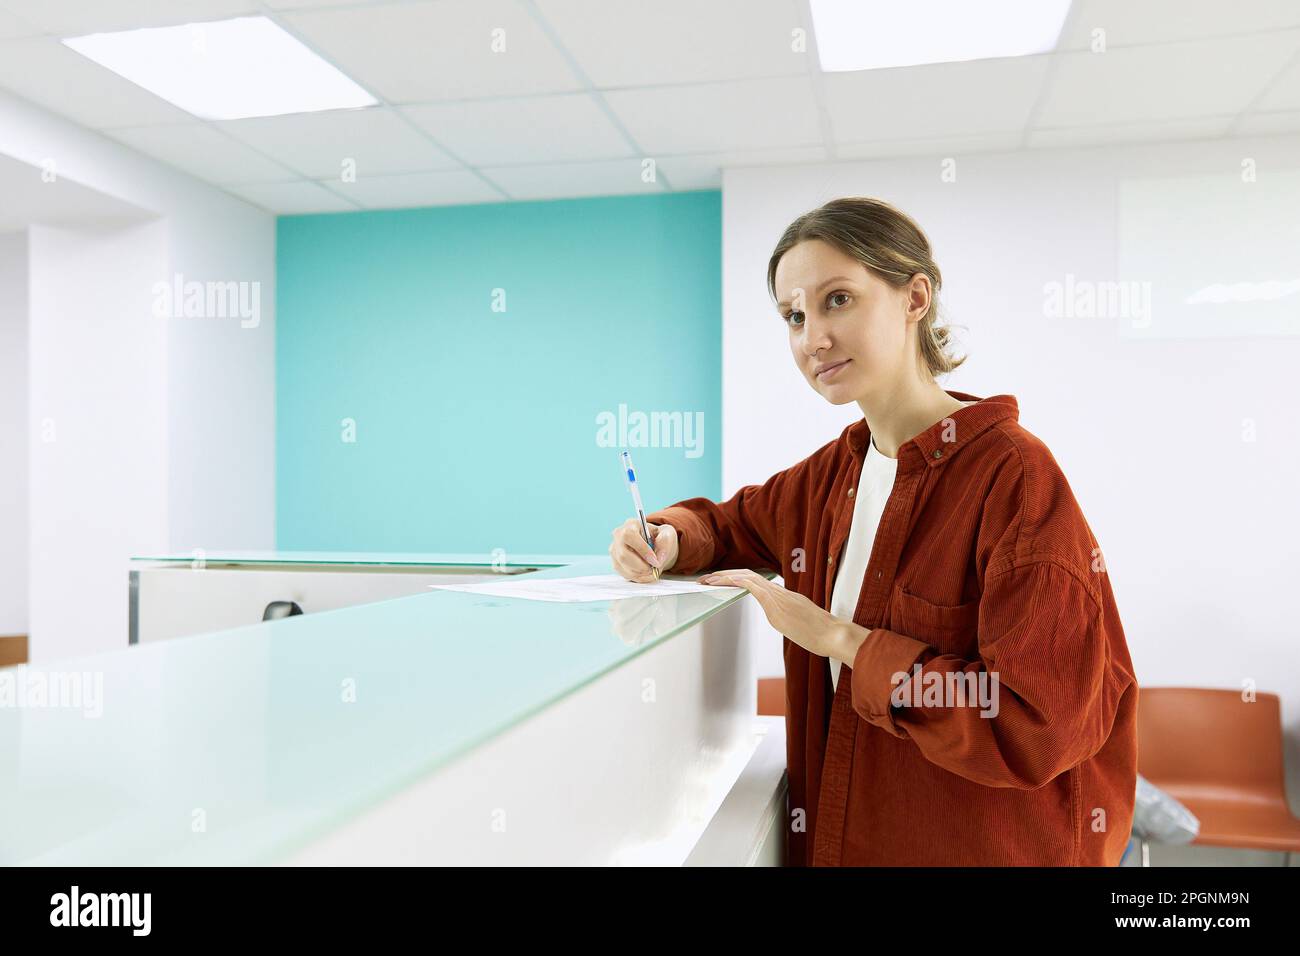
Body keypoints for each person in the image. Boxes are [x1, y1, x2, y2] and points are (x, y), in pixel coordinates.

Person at [609, 197, 1138, 866]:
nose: (812, 339)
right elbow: (726, 525)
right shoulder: (833, 475)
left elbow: (1038, 722)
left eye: (838, 301)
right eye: (794, 316)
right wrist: (666, 538)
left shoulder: (1015, 479)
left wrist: (842, 640)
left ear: (915, 297)